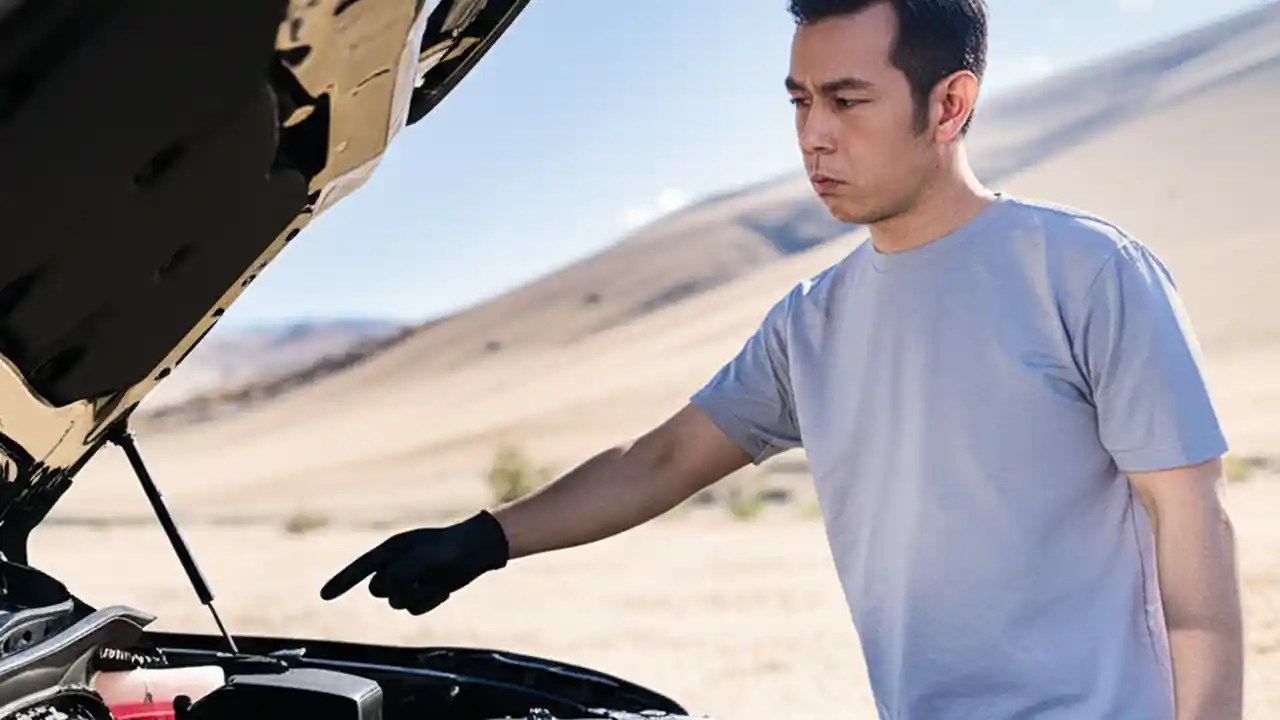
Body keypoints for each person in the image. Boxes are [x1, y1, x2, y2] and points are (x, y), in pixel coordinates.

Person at [319, 1, 1244, 717]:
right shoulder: (812, 323)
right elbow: (661, 461)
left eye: (847, 100)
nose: (814, 134)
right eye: (801, 101)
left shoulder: (1085, 273)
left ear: (950, 104)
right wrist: (487, 538)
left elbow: (1192, 536)